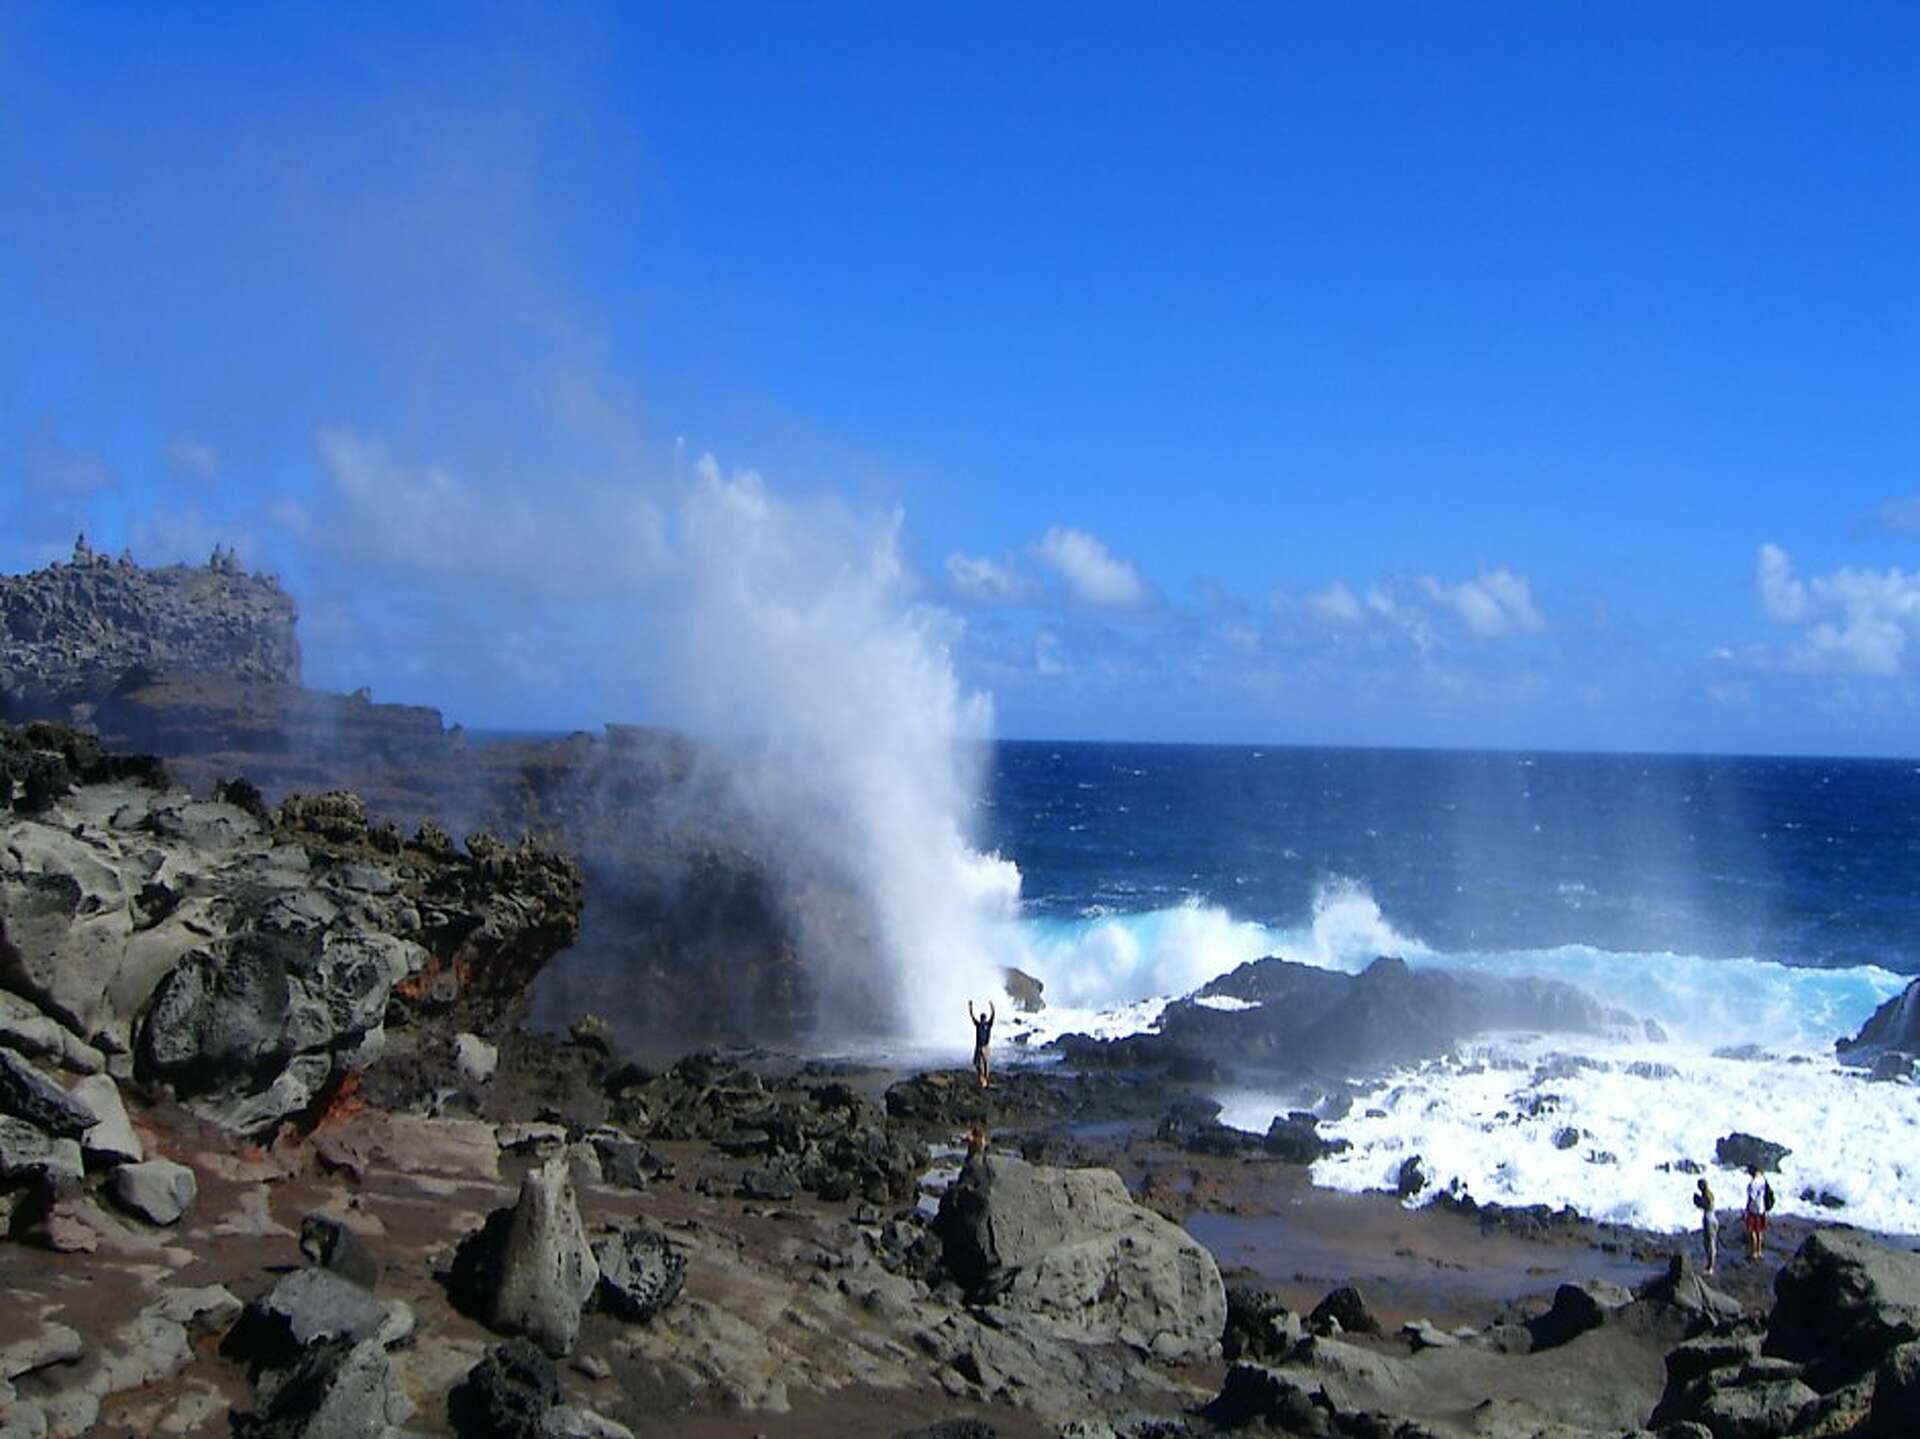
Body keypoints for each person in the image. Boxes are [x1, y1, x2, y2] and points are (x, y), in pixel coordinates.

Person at [1744, 1165, 1772, 1261]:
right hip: (1762, 1209)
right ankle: (1759, 1251)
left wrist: (1746, 1210)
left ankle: (1754, 1252)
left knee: (1752, 1231)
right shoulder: (1763, 1180)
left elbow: (1751, 1198)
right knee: (1759, 1231)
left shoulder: (1753, 1183)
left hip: (1754, 1210)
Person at [968, 999, 996, 1089]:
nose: (983, 1020)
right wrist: (970, 1007)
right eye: (982, 1019)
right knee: (976, 1063)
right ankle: (982, 1078)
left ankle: (985, 1081)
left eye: (983, 1018)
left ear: (985, 1019)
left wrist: (992, 1007)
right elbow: (972, 1016)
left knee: (985, 1063)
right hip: (979, 1046)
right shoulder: (978, 1024)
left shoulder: (988, 1024)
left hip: (985, 1046)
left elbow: (993, 1015)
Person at [1692, 1177, 1717, 1275]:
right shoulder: (1709, 1194)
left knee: (1709, 1244)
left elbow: (1704, 1205)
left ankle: (1710, 1267)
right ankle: (1710, 1265)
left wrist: (1697, 1201)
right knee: (1710, 1243)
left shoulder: (1707, 1196)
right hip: (1713, 1219)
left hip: (1709, 1221)